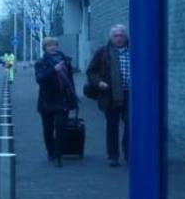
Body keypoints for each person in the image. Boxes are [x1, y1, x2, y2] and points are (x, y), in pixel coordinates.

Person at [87, 24, 131, 166]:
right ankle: (113, 155)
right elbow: (91, 71)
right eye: (115, 36)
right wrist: (98, 82)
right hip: (110, 94)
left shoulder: (134, 50)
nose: (119, 38)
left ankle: (129, 153)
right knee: (112, 125)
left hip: (130, 94)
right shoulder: (103, 52)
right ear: (111, 38)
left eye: (121, 35)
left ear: (126, 37)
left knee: (130, 123)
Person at [34, 37, 78, 167]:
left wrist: (73, 98)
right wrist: (54, 70)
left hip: (63, 99)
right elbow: (40, 79)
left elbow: (70, 81)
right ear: (45, 48)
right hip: (47, 100)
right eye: (49, 46)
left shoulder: (65, 61)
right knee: (48, 129)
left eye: (54, 45)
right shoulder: (40, 63)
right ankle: (51, 152)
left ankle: (59, 154)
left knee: (60, 128)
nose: (52, 47)